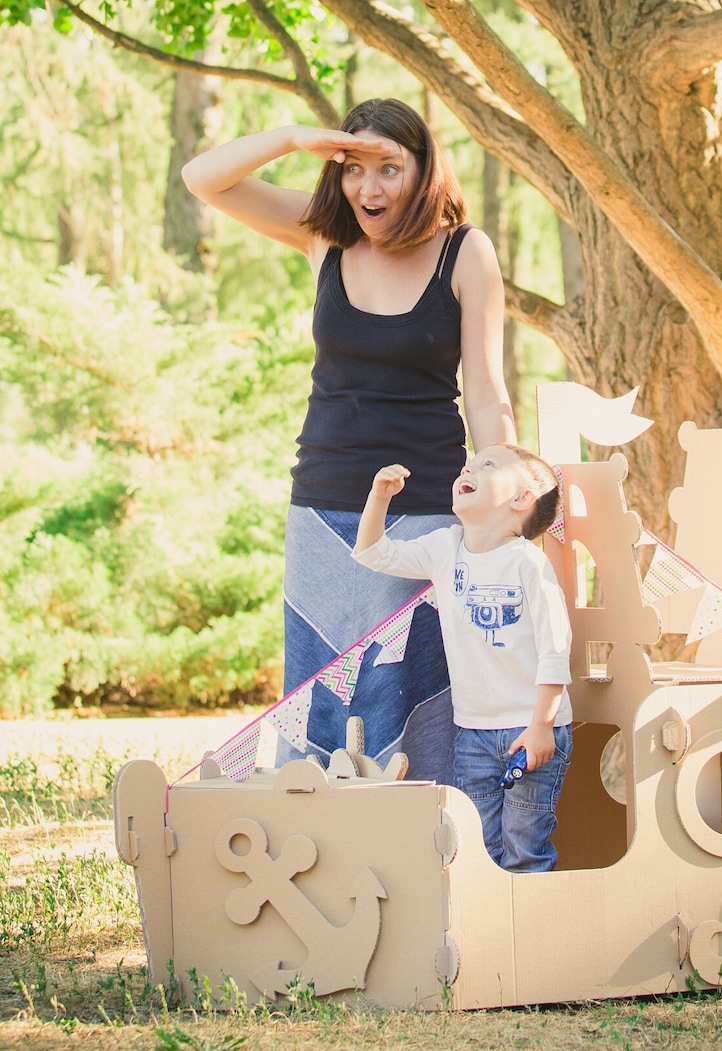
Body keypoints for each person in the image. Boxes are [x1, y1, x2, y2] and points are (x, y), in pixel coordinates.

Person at [182, 98, 515, 781]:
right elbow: (202, 178)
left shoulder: (465, 251)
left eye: (388, 168)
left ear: (424, 171)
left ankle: (425, 860)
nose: (370, 187)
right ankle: (323, 859)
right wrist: (293, 137)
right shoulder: (323, 236)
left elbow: (485, 393)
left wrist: (502, 505)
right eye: (354, 168)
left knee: (417, 695)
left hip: (424, 513)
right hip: (324, 509)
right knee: (320, 703)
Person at [353, 443, 573, 872]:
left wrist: (542, 726)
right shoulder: (445, 548)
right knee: (481, 848)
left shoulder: (528, 563)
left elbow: (554, 648)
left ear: (521, 499)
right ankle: (489, 933)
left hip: (532, 728)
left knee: (524, 844)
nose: (467, 467)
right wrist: (379, 497)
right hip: (472, 732)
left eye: (487, 464)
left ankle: (530, 932)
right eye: (468, 464)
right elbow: (372, 553)